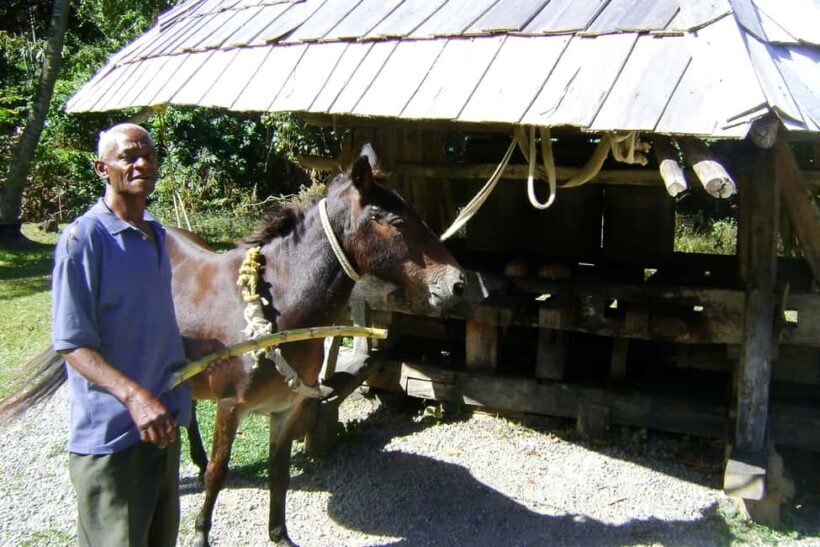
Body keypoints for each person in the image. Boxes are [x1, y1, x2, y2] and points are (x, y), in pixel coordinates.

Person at [51, 123, 218, 547]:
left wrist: (197, 348)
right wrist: (136, 398)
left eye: (148, 154)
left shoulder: (156, 236)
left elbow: (144, 325)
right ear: (102, 168)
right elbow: (72, 343)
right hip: (114, 441)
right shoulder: (84, 240)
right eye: (128, 156)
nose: (141, 162)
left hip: (161, 431)